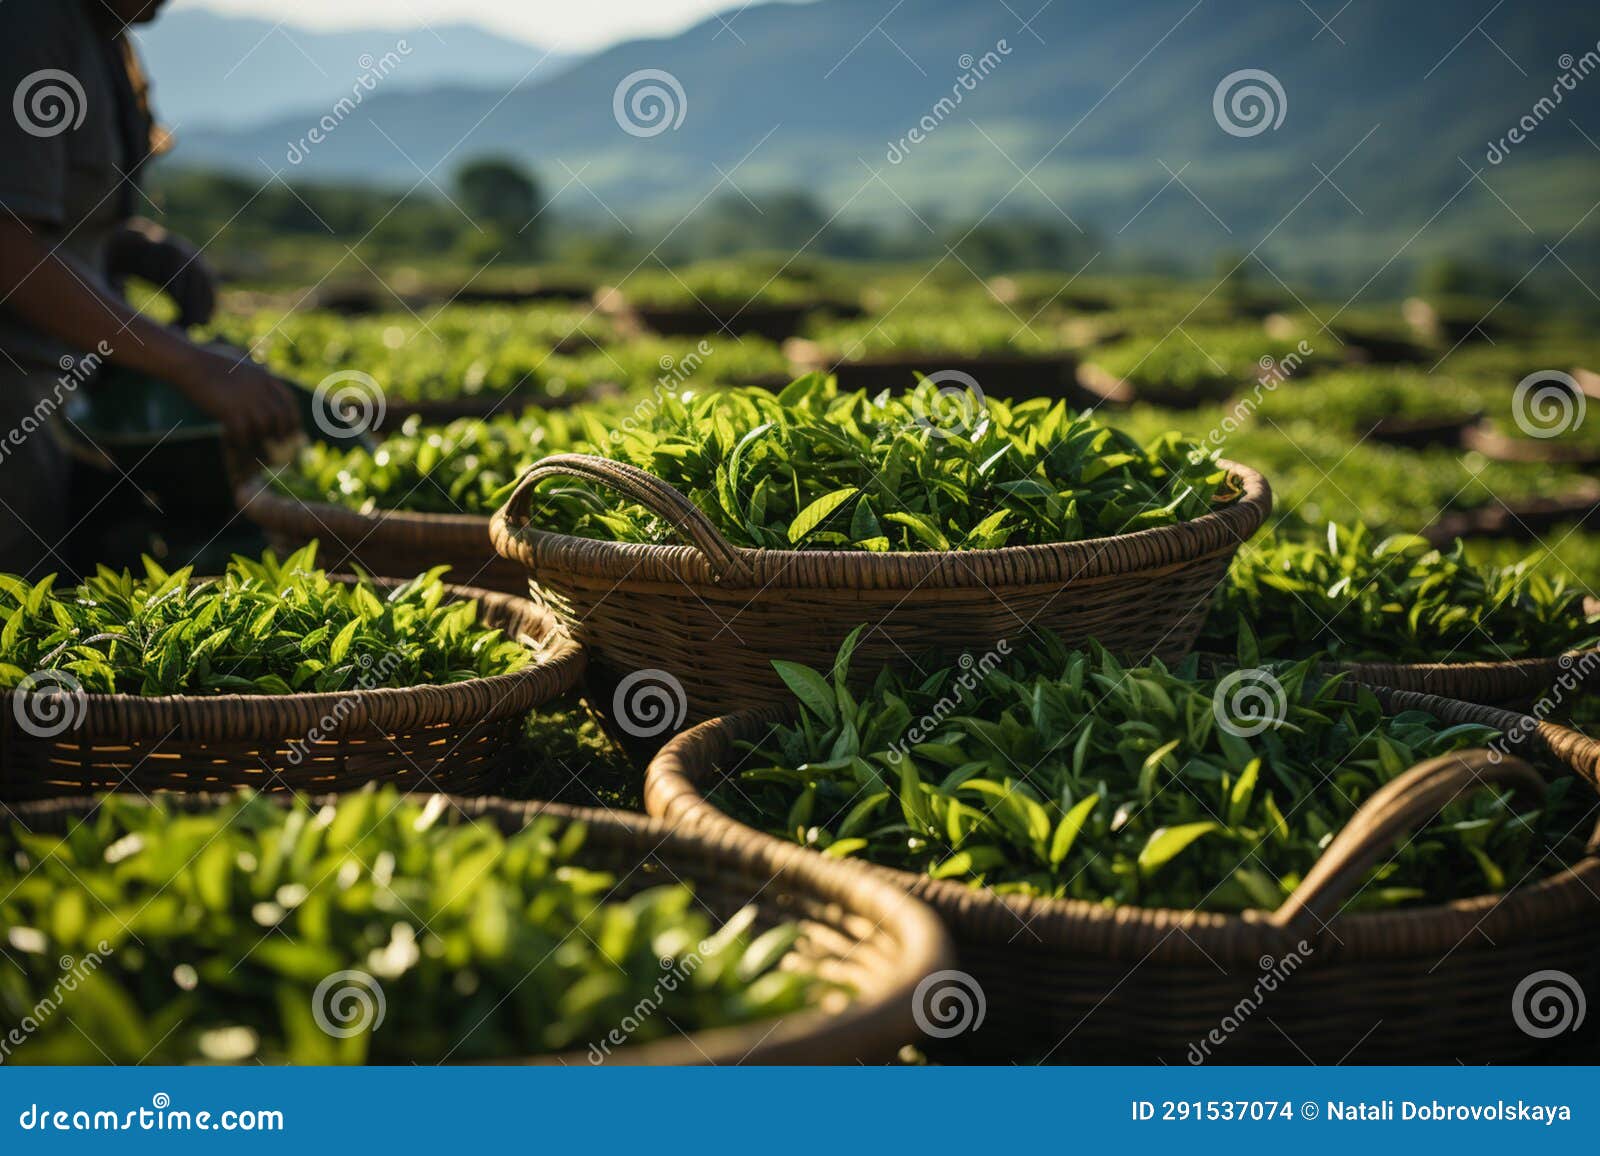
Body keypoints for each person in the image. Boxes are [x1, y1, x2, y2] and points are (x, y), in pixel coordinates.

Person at [0, 0, 299, 578]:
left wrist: (133, 244)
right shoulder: (29, 21)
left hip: (58, 395)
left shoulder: (98, 33)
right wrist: (191, 365)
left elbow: (48, 216)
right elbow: (9, 249)